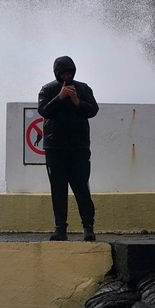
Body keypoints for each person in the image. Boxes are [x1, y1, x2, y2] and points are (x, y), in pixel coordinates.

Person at [37, 56, 99, 241]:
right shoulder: (47, 89)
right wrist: (60, 97)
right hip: (55, 148)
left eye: (69, 73)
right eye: (63, 73)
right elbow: (44, 110)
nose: (66, 76)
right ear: (57, 74)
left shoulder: (83, 88)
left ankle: (88, 228)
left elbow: (93, 110)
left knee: (81, 188)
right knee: (58, 189)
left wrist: (76, 101)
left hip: (78, 148)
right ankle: (60, 229)